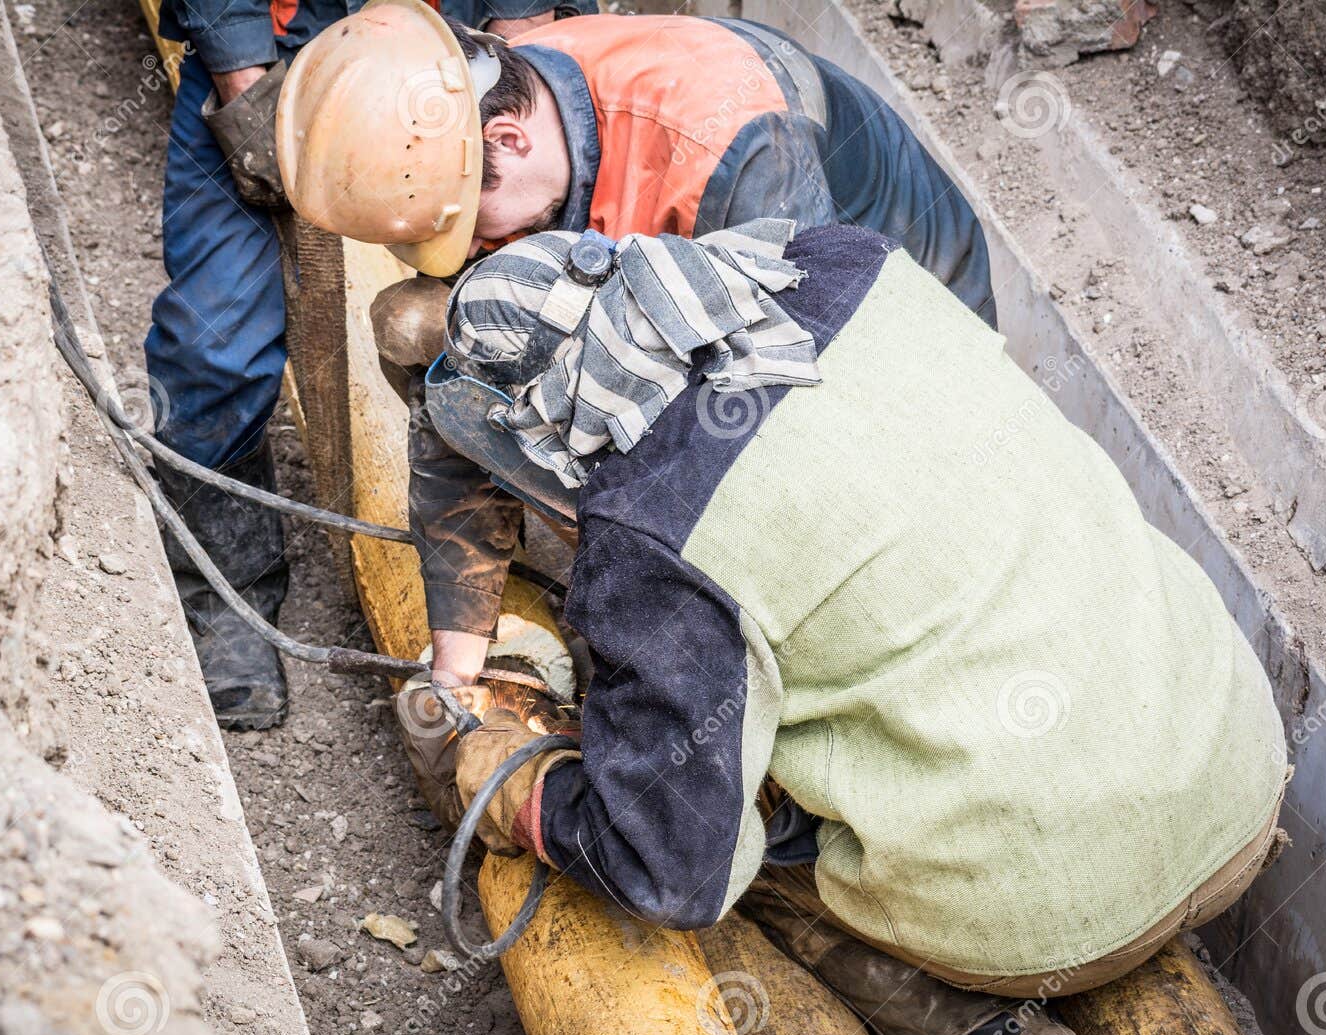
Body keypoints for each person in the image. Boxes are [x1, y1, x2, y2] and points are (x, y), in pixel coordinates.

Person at [392, 220, 1290, 1035]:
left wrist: (521, 789)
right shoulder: (842, 261)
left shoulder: (651, 536)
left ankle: (981, 1034)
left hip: (1061, 912)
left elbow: (666, 871)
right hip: (1234, 760)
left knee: (723, 828)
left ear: (555, 422)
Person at [276, 2, 994, 687]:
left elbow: (790, 425)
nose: (473, 253)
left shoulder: (732, 154)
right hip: (724, 291)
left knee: (730, 494)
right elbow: (468, 377)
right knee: (426, 322)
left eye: (471, 233)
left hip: (886, 318)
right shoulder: (476, 123)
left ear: (509, 142)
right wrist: (457, 659)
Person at [146, 0, 595, 729]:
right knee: (210, 346)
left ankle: (578, 594)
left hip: (465, 62)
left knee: (505, 338)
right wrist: (243, 81)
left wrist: (518, 53)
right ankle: (221, 590)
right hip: (285, 46)